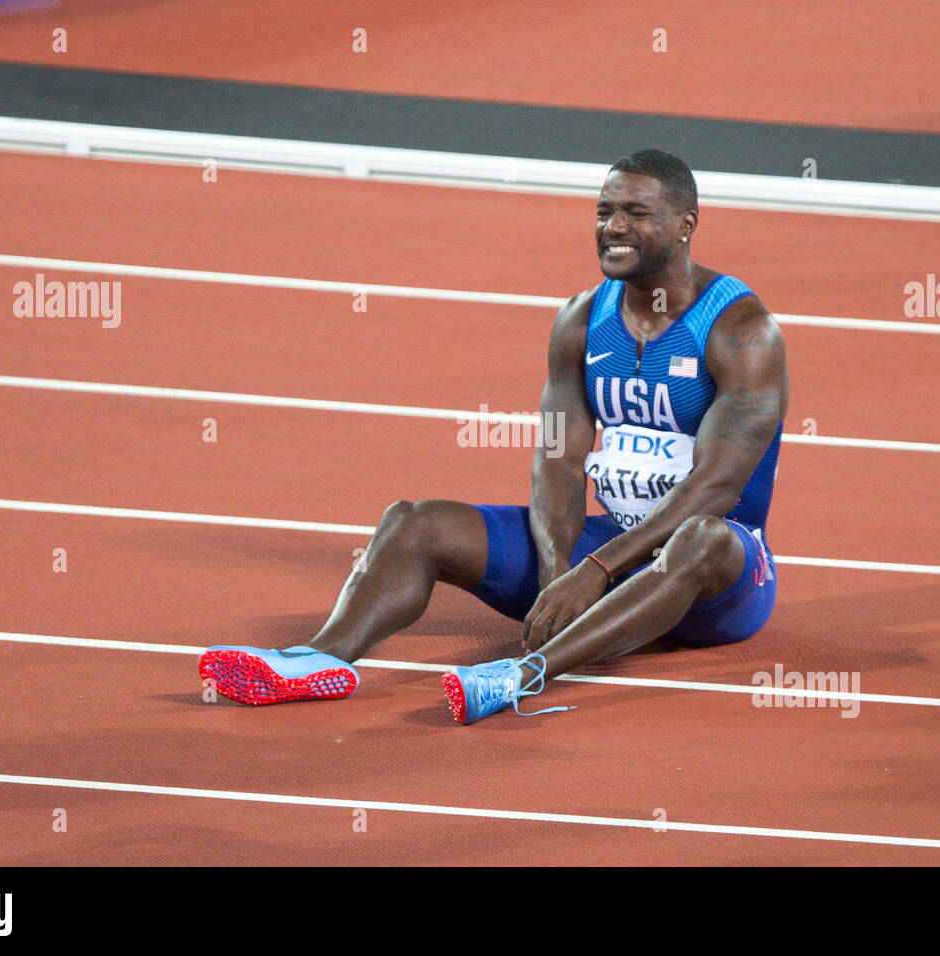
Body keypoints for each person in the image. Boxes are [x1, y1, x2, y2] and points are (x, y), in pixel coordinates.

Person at [198, 148, 789, 724]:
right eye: (604, 211)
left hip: (719, 578)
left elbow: (715, 486)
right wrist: (561, 572)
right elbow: (558, 459)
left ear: (686, 225)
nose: (613, 227)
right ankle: (318, 659)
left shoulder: (741, 331)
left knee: (701, 536)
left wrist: (596, 572)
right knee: (413, 521)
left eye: (636, 213)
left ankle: (521, 675)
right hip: (610, 551)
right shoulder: (583, 319)